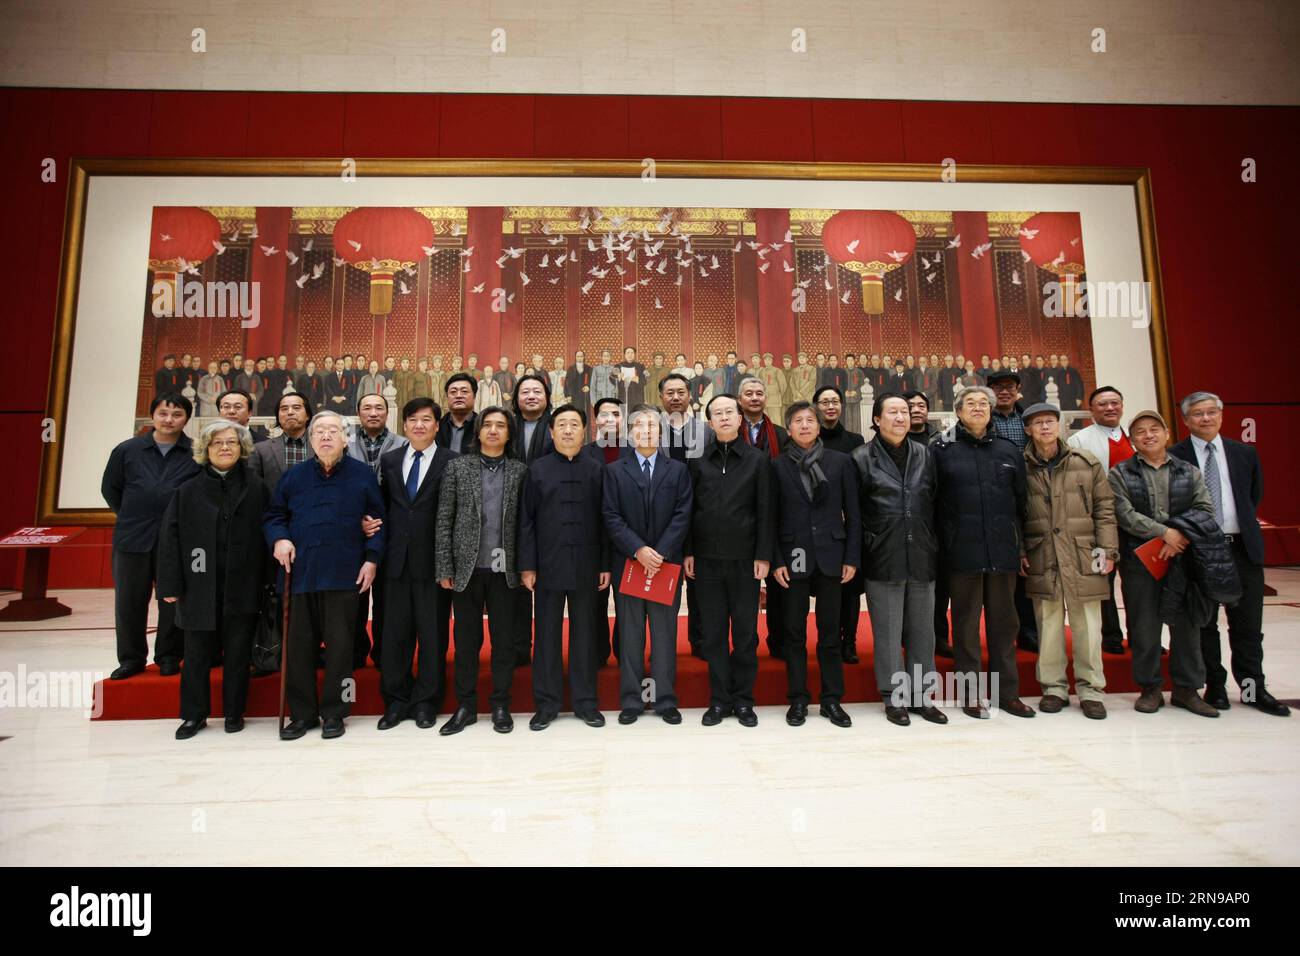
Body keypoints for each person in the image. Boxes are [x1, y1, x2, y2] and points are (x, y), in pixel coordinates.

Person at [265, 410, 386, 740]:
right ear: (310, 439)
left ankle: (337, 712)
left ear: (346, 438)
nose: (326, 436)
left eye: (334, 430)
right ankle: (302, 715)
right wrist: (280, 538)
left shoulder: (362, 476)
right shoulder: (293, 477)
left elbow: (377, 522)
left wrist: (372, 560)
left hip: (345, 578)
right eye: (319, 431)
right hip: (299, 577)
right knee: (298, 652)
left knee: (342, 652)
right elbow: (274, 516)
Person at [1171, 392, 1289, 716]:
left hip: (1241, 548)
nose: (1205, 418)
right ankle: (1215, 688)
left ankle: (1252, 689)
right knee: (1205, 624)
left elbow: (1253, 495)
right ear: (1185, 420)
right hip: (1199, 549)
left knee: (1247, 624)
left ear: (1221, 416)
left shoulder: (1243, 453)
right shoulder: (1174, 456)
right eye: (1197, 414)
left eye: (1211, 412)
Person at [157, 421, 270, 738]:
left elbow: (269, 532)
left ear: (242, 448)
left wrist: (268, 581)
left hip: (243, 585)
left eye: (232, 442)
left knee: (238, 653)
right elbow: (170, 538)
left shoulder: (256, 486)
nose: (225, 448)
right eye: (217, 443)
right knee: (196, 655)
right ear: (205, 449)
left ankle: (235, 712)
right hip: (198, 587)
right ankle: (194, 715)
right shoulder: (187, 490)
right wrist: (170, 585)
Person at [1108, 409, 1220, 718]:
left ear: (1167, 433)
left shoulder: (1188, 471)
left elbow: (1204, 507)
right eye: (1140, 432)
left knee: (1187, 624)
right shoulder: (1120, 472)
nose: (1148, 435)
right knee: (1143, 625)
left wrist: (1179, 535)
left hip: (1183, 557)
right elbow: (1123, 512)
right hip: (1140, 559)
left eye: (1154, 429)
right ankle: (1150, 687)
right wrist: (1164, 533)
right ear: (1133, 440)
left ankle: (1187, 689)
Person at [932, 385, 1035, 719]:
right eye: (970, 404)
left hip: (1003, 551)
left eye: (983, 404)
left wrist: (1020, 547)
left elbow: (1022, 503)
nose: (977, 408)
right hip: (961, 552)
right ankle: (972, 694)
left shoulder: (1008, 451)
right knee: (965, 627)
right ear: (958, 411)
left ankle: (1008, 693)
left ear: (991, 411)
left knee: (1005, 626)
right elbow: (932, 503)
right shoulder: (941, 449)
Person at [851, 393, 946, 726]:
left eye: (904, 412)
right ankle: (894, 697)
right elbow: (855, 511)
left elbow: (934, 501)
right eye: (892, 412)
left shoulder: (925, 454)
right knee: (888, 632)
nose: (901, 418)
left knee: (923, 631)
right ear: (877, 419)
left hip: (921, 551)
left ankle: (922, 695)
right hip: (883, 553)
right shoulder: (861, 458)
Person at [1020, 403, 1117, 720]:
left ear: (1060, 426)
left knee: (1088, 624)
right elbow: (1014, 514)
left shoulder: (1085, 462)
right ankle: (1054, 688)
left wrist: (1108, 551)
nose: (1045, 427)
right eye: (1038, 423)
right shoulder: (1021, 466)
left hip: (1083, 552)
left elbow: (1104, 508)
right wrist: (1021, 550)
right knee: (1047, 623)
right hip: (1041, 552)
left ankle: (1091, 690)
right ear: (1028, 430)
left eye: (1050, 421)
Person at [435, 408, 528, 735]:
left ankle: (501, 704)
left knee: (504, 641)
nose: (492, 430)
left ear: (509, 434)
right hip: (467, 569)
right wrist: (445, 565)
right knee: (466, 641)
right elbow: (444, 519)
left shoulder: (520, 471)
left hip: (506, 571)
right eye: (486, 425)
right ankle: (466, 706)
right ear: (477, 433)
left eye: (500, 426)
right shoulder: (458, 468)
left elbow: (525, 525)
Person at [519, 404, 610, 730]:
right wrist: (527, 565)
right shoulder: (537, 469)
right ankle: (547, 704)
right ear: (552, 431)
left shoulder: (597, 468)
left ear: (585, 432)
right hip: (547, 566)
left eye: (575, 424)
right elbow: (526, 522)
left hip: (587, 565)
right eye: (562, 425)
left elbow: (605, 519)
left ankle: (586, 703)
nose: (568, 430)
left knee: (585, 636)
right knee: (546, 636)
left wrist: (604, 564)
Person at [685, 394, 773, 727]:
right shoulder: (698, 462)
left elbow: (766, 511)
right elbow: (690, 511)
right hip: (706, 561)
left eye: (728, 412)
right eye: (717, 414)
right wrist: (689, 551)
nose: (723, 418)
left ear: (739, 419)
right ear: (709, 423)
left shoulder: (757, 460)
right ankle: (719, 700)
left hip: (744, 561)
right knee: (714, 635)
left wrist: (763, 555)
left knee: (746, 634)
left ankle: (744, 700)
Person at [602, 404, 693, 726]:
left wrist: (661, 553)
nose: (645, 431)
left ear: (661, 432)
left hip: (666, 565)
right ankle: (631, 700)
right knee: (630, 634)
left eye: (652, 426)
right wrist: (638, 549)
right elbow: (610, 516)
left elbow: (683, 515)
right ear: (630, 433)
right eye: (638, 426)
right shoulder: (614, 471)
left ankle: (666, 699)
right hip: (629, 562)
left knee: (665, 633)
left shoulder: (679, 470)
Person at [101, 393, 202, 679]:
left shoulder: (195, 452)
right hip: (133, 537)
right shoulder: (128, 450)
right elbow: (111, 489)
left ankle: (169, 656)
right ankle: (131, 658)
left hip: (177, 539)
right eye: (163, 413)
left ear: (186, 418)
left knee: (172, 600)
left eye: (176, 414)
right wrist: (133, 514)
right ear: (152, 416)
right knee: (129, 601)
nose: (169, 419)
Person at [771, 401, 859, 728]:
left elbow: (854, 514)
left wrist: (851, 557)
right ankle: (797, 698)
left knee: (829, 633)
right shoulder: (777, 466)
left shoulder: (840, 462)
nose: (805, 425)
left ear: (818, 427)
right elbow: (771, 517)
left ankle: (832, 699)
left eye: (810, 420)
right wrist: (776, 560)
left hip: (831, 555)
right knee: (793, 633)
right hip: (793, 556)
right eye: (798, 421)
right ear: (789, 430)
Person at [376, 398, 457, 731]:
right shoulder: (391, 460)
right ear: (405, 426)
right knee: (394, 635)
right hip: (395, 562)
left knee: (432, 635)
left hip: (434, 564)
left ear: (437, 426)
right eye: (413, 420)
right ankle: (395, 701)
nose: (420, 425)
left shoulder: (452, 461)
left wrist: (449, 563)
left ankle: (426, 702)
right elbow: (383, 507)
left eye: (427, 420)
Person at [1068, 386, 1135, 654]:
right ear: (1091, 409)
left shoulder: (1135, 438)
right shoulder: (1079, 441)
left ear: (1121, 405)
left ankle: (1140, 635)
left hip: (1135, 526)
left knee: (1138, 585)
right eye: (1103, 404)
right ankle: (1110, 636)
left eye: (1114, 403)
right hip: (1097, 525)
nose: (1109, 408)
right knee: (1102, 582)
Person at [812, 384, 866, 664]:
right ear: (815, 406)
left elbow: (859, 483)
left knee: (850, 590)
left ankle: (850, 641)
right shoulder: (806, 439)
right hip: (812, 526)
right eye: (824, 402)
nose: (830, 406)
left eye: (835, 401)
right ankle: (825, 641)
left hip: (844, 524)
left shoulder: (855, 441)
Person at [986, 370, 1037, 653]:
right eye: (996, 387)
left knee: (1030, 571)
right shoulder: (983, 419)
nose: (1003, 392)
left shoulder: (1029, 418)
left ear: (1018, 389)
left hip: (1031, 496)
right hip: (997, 500)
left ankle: (1030, 631)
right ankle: (1007, 634)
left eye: (1008, 386)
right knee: (1007, 572)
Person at [586, 397, 627, 665]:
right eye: (604, 414)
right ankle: (597, 654)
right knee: (594, 603)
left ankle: (626, 654)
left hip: (627, 540)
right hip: (593, 540)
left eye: (616, 414)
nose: (610, 419)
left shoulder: (636, 450)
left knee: (628, 606)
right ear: (596, 420)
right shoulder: (584, 452)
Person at [250, 392, 314, 493]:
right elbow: (253, 490)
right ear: (278, 418)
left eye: (296, 408)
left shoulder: (321, 447)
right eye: (284, 409)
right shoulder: (260, 450)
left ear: (308, 415)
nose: (290, 412)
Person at [436, 372, 478, 453]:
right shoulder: (436, 428)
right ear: (447, 398)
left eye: (464, 391)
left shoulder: (483, 427)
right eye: (453, 392)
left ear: (474, 396)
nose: (458, 395)